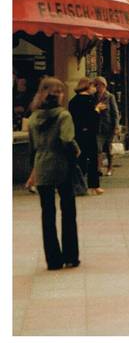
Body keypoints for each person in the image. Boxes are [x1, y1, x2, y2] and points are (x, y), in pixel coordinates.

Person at [27, 77, 81, 270]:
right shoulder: (63, 116)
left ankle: (53, 259)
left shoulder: (33, 118)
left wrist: (32, 171)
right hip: (61, 165)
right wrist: (76, 151)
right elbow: (67, 139)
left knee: (47, 214)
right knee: (68, 210)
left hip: (42, 166)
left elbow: (32, 147)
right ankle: (71, 255)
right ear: (58, 94)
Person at [68, 78, 103, 195]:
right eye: (93, 86)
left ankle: (79, 184)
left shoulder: (73, 101)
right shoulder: (89, 101)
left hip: (77, 133)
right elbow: (91, 118)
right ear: (87, 87)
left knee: (81, 158)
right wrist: (97, 110)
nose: (95, 89)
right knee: (92, 159)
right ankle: (94, 185)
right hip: (89, 134)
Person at [93, 76, 119, 177]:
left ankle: (110, 168)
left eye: (98, 85)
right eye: (96, 85)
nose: (97, 87)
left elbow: (115, 112)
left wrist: (116, 126)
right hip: (97, 126)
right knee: (98, 149)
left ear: (104, 86)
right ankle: (98, 168)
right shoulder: (94, 96)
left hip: (108, 126)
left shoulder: (110, 96)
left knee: (108, 148)